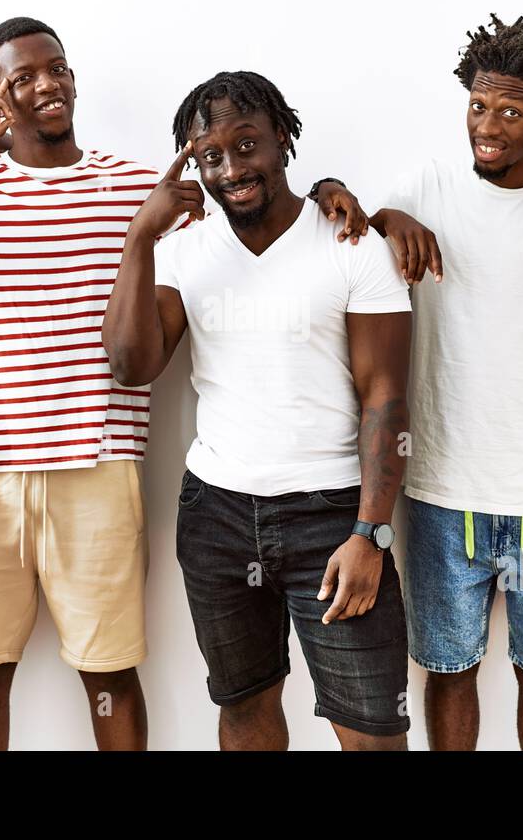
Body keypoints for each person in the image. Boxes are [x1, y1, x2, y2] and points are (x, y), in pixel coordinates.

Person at [0, 24, 371, 749]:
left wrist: (337, 193)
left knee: (110, 675)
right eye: (23, 78)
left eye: (57, 69)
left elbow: (245, 209)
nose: (46, 85)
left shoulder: (130, 186)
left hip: (98, 465)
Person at [319, 15, 523, 750]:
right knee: (449, 670)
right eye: (478, 105)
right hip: (440, 490)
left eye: (511, 111)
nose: (487, 127)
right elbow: (340, 224)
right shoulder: (428, 184)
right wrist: (387, 214)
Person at [103, 71, 413, 750]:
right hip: (217, 516)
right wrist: (138, 239)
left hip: (332, 516)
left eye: (247, 145)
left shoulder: (351, 244)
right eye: (211, 156)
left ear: (282, 141)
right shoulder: (182, 251)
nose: (232, 168)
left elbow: (386, 400)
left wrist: (371, 534)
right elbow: (132, 366)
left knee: (371, 731)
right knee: (244, 707)